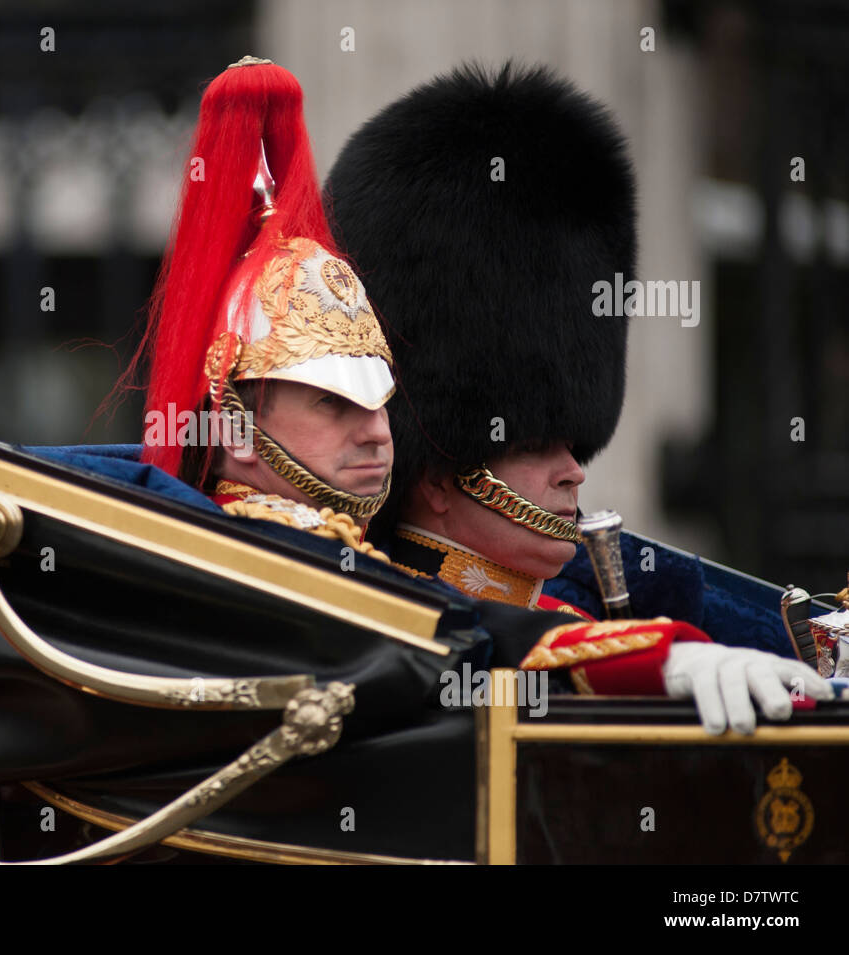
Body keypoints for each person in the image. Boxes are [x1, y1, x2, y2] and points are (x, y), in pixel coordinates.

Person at [325, 63, 830, 732]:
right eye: (536, 444)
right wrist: (664, 660)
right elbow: (478, 642)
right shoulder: (383, 606)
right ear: (443, 474)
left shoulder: (582, 599)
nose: (575, 469)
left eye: (571, 440)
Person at [125, 57, 395, 556]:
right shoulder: (266, 553)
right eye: (332, 402)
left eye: (380, 402)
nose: (377, 432)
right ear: (235, 430)